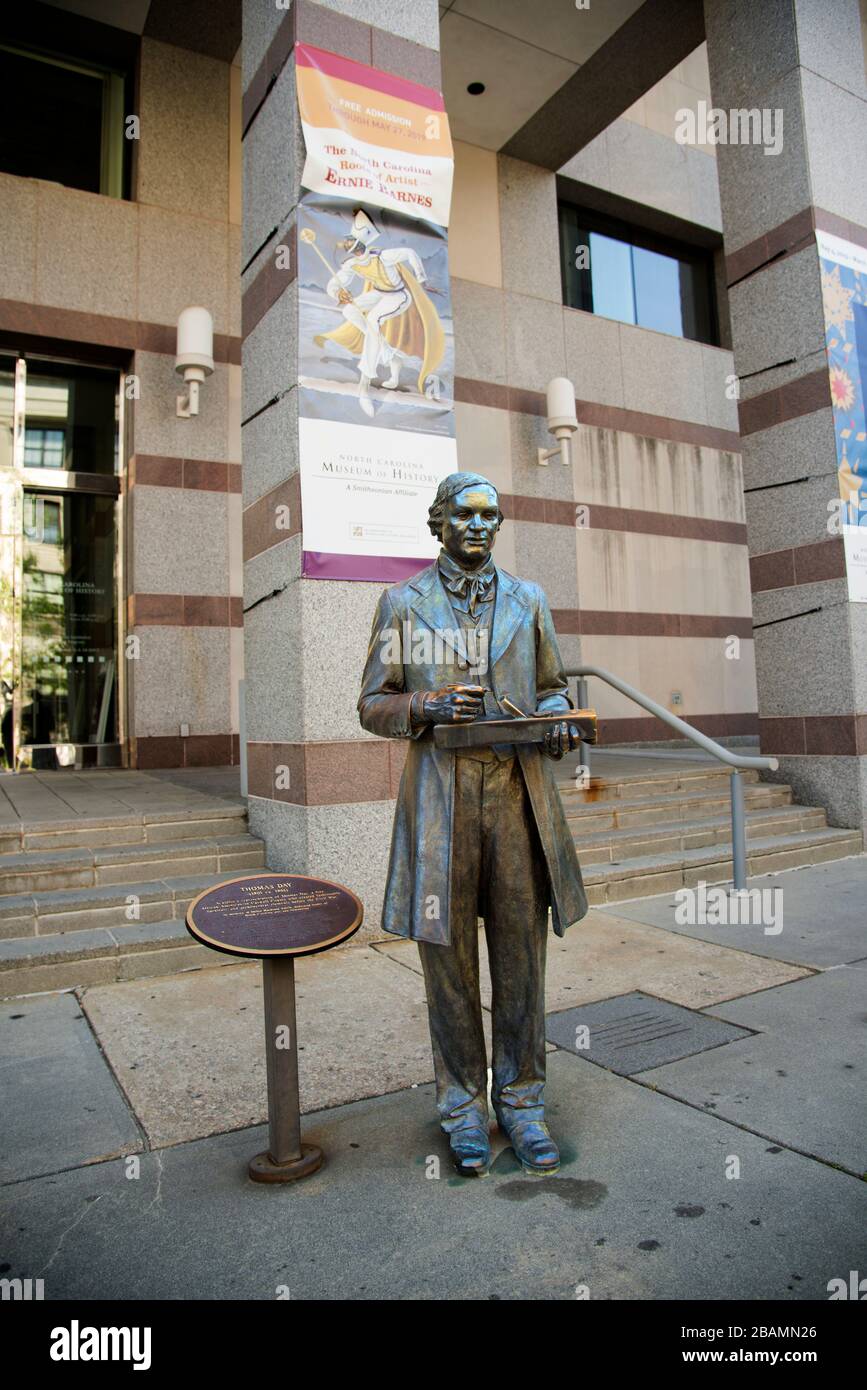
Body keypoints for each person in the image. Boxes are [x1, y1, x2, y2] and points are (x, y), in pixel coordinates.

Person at [357, 471, 588, 1175]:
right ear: (439, 522)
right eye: (466, 514)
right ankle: (461, 1109)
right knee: (448, 965)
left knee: (520, 963)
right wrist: (423, 706)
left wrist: (555, 721)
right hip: (441, 802)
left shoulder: (528, 600)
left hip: (516, 798)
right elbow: (372, 704)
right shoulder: (402, 603)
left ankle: (522, 1104)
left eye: (491, 515)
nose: (481, 525)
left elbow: (552, 690)